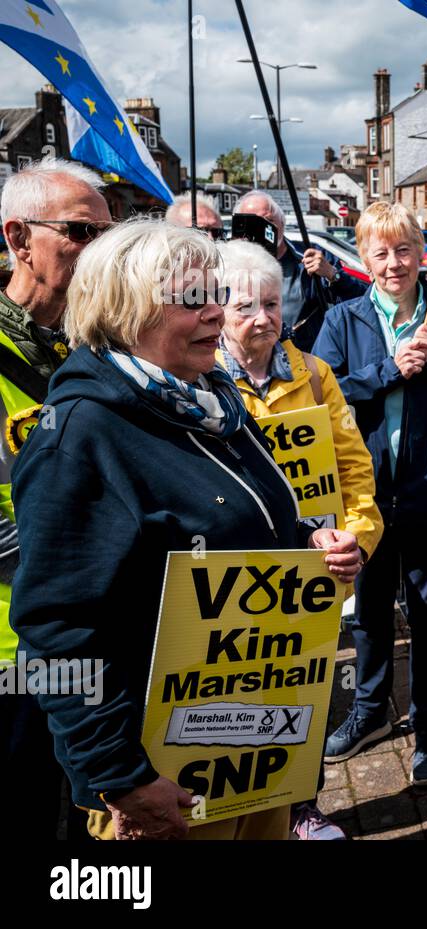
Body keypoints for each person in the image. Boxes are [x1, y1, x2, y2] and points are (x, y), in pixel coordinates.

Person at [10, 219, 363, 840]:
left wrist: (310, 545)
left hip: (248, 749)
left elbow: (247, 519)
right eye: (191, 298)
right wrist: (120, 777)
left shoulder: (211, 402)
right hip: (164, 777)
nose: (215, 314)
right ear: (128, 309)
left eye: (214, 295)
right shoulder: (82, 437)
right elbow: (56, 635)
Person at [314, 200, 427, 785]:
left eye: (403, 250)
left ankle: (426, 728)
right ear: (364, 258)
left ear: (423, 255)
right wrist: (389, 370)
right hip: (363, 500)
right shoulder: (343, 321)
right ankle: (368, 712)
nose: (393, 263)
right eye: (380, 252)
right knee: (367, 613)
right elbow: (322, 397)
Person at [214, 238, 383, 839]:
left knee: (305, 691)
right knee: (233, 699)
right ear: (216, 309)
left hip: (312, 571)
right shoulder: (201, 382)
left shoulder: (314, 375)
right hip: (232, 577)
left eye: (271, 304)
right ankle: (235, 810)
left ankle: (301, 807)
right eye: (243, 307)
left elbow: (354, 468)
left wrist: (357, 539)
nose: (262, 318)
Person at [0, 157, 111, 839]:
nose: (101, 252)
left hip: (87, 643)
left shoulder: (89, 349)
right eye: (80, 232)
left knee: (84, 819)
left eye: (108, 235)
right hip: (9, 655)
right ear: (19, 239)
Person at [232, 191, 365, 351]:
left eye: (269, 220)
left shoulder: (310, 255)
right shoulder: (231, 262)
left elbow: (360, 301)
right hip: (251, 358)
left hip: (305, 360)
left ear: (281, 222)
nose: (263, 227)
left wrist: (332, 274)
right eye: (254, 222)